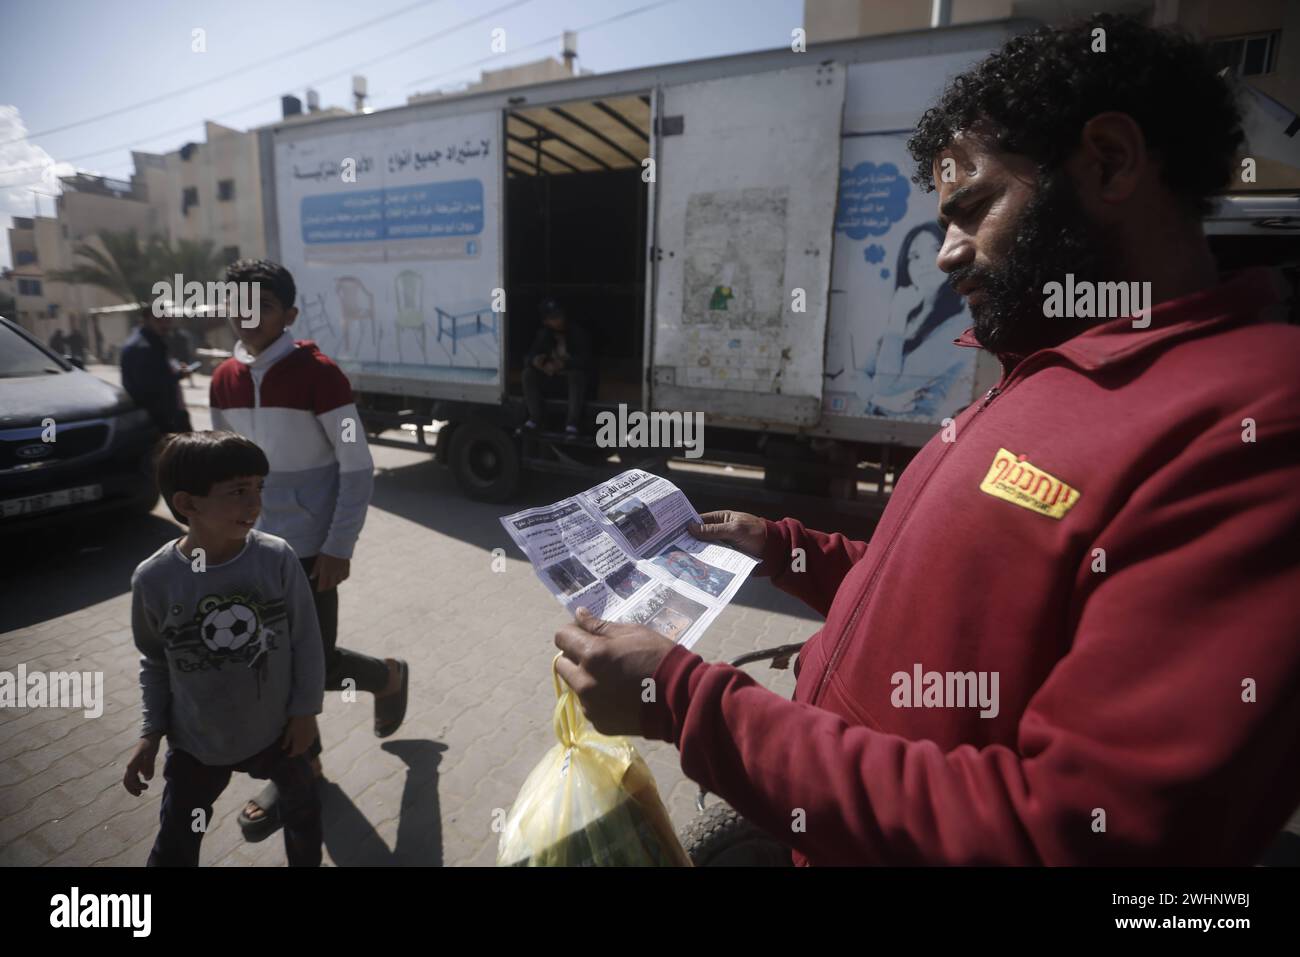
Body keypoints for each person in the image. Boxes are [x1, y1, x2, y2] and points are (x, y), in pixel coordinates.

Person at [550, 14, 1300, 865]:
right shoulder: (1042, 365)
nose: (947, 254)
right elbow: (932, 588)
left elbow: (1070, 830)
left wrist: (685, 702)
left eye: (973, 209)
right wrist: (783, 547)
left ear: (1109, 161)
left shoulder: (1251, 428)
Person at [209, 258, 409, 841]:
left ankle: (386, 677)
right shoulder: (222, 379)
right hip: (249, 548)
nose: (248, 316)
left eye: (263, 305)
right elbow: (222, 463)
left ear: (289, 314)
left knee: (310, 666)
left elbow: (357, 464)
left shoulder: (321, 376)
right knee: (275, 664)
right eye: (238, 304)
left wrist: (338, 544)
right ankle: (306, 769)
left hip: (311, 550)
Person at [123, 431, 325, 866]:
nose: (254, 504)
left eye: (258, 488)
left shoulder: (276, 558)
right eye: (237, 492)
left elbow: (307, 641)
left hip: (279, 734)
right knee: (178, 840)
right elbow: (155, 662)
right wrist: (150, 733)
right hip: (197, 745)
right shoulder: (155, 580)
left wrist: (305, 712)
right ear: (187, 503)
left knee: (305, 814)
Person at [862, 222, 971, 418]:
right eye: (915, 256)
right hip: (878, 418)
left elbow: (886, 386)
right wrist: (873, 397)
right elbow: (862, 372)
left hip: (918, 427)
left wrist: (897, 319)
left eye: (935, 250)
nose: (924, 263)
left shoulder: (959, 324)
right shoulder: (911, 313)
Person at [521, 297, 593, 436]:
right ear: (546, 321)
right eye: (553, 318)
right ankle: (535, 418)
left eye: (559, 315)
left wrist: (564, 364)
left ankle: (572, 423)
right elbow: (529, 356)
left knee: (576, 375)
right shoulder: (543, 335)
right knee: (527, 374)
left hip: (572, 384)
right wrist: (536, 362)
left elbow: (586, 360)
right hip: (552, 380)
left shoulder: (576, 332)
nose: (559, 320)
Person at [120, 309, 193, 433]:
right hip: (159, 417)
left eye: (168, 320)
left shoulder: (153, 341)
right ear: (146, 320)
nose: (164, 325)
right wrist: (178, 375)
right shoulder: (143, 347)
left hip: (164, 413)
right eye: (158, 320)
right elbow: (150, 385)